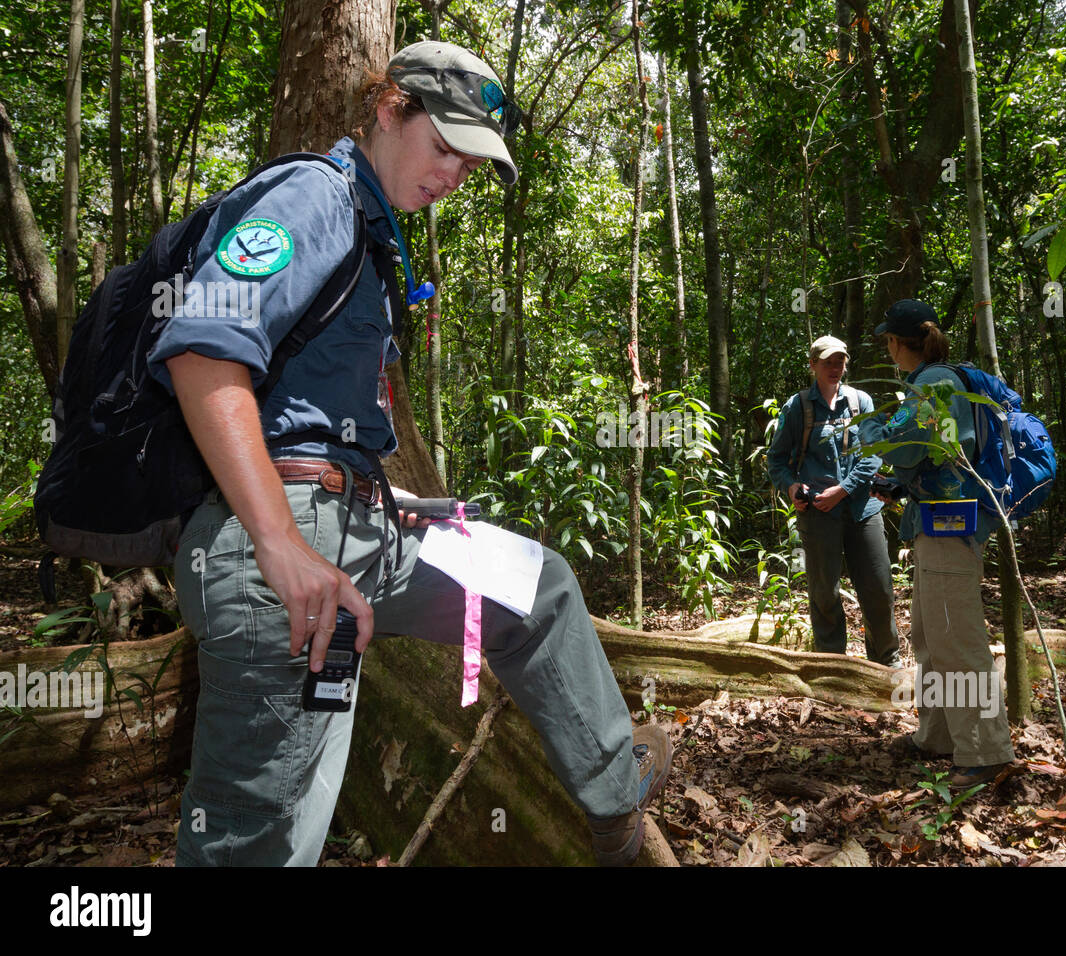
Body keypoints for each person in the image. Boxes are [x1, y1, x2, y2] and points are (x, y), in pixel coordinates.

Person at [148, 40, 669, 866]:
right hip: (282, 555)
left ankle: (612, 794)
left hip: (359, 537)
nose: (454, 174)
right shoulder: (312, 196)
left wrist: (381, 498)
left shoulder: (369, 225)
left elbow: (312, 415)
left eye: (471, 162)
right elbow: (203, 351)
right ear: (389, 109)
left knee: (536, 587)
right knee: (264, 842)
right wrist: (281, 543)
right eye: (444, 147)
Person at [858, 300, 1014, 789]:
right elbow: (941, 455)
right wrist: (902, 485)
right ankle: (939, 735)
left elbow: (898, 444)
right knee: (929, 635)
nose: (888, 352)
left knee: (958, 639)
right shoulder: (941, 379)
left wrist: (865, 426)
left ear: (904, 343)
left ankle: (986, 751)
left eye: (889, 342)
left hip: (952, 527)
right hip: (936, 521)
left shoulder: (934, 383)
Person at [767, 335, 900, 666]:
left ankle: (887, 661)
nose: (835, 368)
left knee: (878, 588)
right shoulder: (797, 407)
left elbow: (873, 455)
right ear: (813, 364)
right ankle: (832, 666)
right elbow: (777, 460)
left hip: (863, 507)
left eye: (840, 361)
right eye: (827, 362)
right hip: (818, 514)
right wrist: (792, 488)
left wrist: (843, 490)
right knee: (824, 593)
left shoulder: (861, 402)